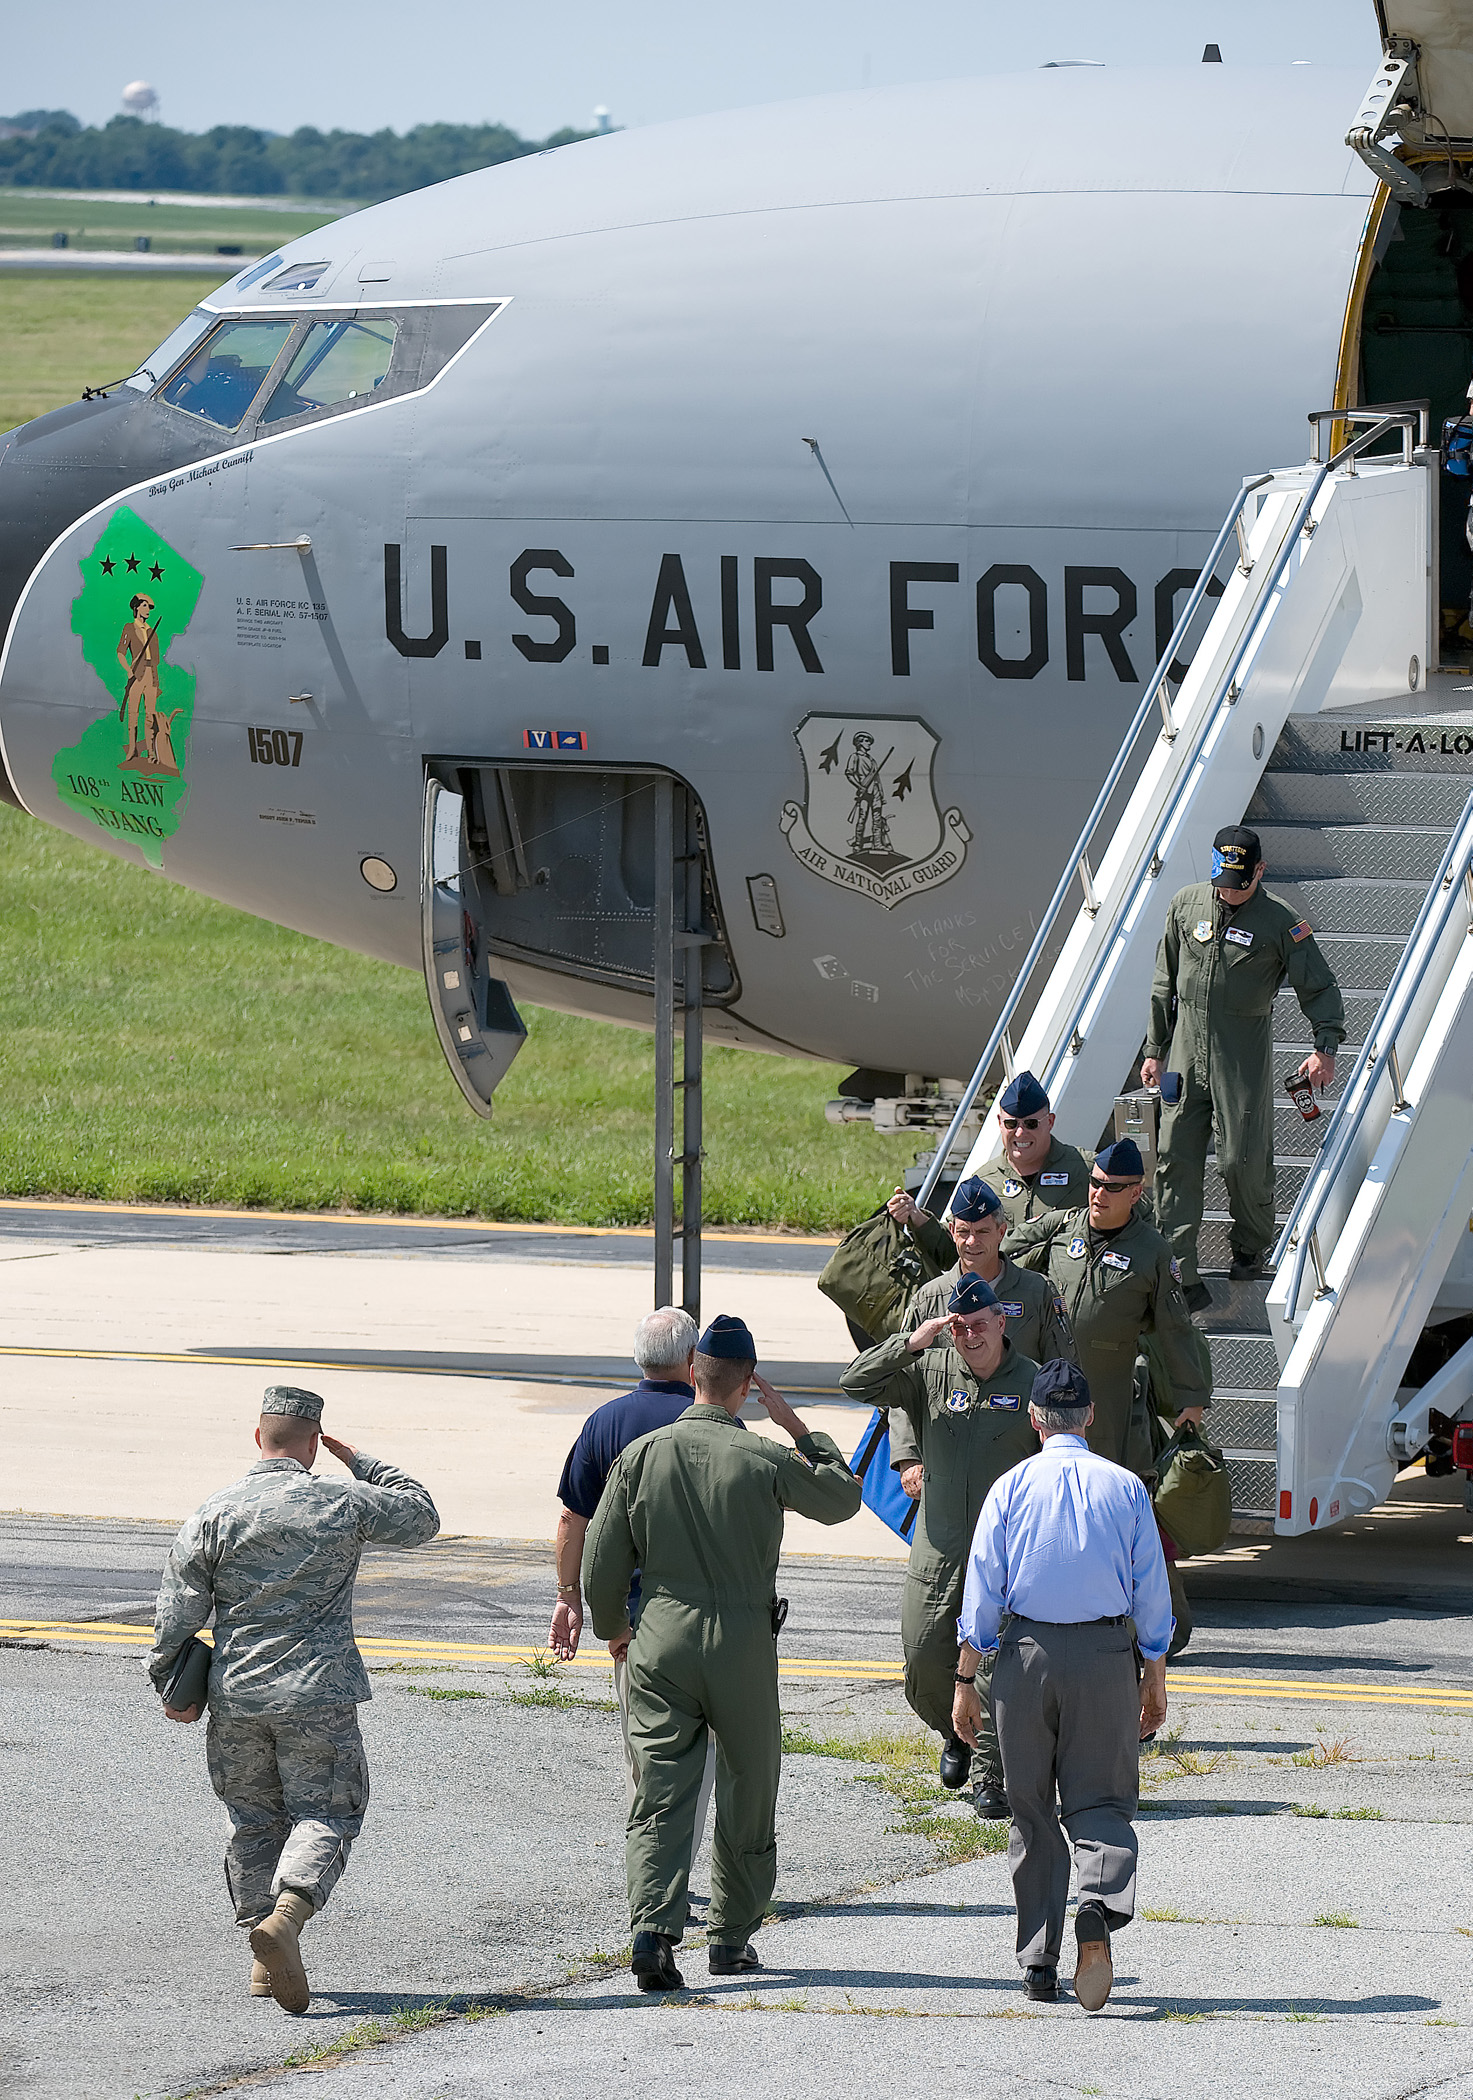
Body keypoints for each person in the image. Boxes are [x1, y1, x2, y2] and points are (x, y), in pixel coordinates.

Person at [584, 1315, 861, 1993]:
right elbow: (842, 1499)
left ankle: (651, 1933)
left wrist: (614, 1627)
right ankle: (731, 1939)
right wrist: (799, 1430)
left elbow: (599, 1562)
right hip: (740, 1642)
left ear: (691, 1375)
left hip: (660, 1637)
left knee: (660, 1793)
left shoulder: (641, 1455)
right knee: (747, 1787)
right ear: (745, 1386)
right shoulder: (766, 1459)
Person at [148, 1386, 439, 2014]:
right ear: (313, 1444)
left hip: (237, 1692)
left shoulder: (217, 1510)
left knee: (253, 1820)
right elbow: (421, 1515)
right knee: (328, 1812)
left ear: (258, 1437)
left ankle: (260, 1959)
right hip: (318, 1691)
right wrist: (360, 1460)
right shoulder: (341, 1499)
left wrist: (170, 1679)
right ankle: (286, 1916)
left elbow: (178, 1607)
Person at [953, 1359, 1172, 2009]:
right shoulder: (1126, 1488)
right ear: (1090, 1417)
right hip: (1105, 1654)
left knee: (1030, 1809)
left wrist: (965, 1679)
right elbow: (1150, 1594)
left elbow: (981, 1595)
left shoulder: (1010, 1486)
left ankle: (1038, 1961)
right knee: (1101, 1798)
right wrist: (1152, 1675)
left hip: (1023, 1655)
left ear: (1033, 1419)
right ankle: (1099, 1903)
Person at [840, 1274, 1040, 1819]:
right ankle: (957, 1728)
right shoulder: (928, 1372)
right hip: (941, 1545)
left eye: (981, 1324)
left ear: (1002, 1322)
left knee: (1002, 1661)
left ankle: (991, 1772)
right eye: (960, 1327)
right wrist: (914, 1340)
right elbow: (855, 1382)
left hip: (1005, 1550)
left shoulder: (1033, 1383)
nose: (971, 1335)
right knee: (924, 1655)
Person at [1003, 1137, 1208, 1647]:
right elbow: (996, 1250)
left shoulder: (1152, 1252)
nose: (1098, 1194)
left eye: (1112, 1188)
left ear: (1136, 1192)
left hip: (1109, 1400)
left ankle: (1165, 1626)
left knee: (1114, 1512)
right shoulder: (1060, 1228)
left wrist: (1191, 1397)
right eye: (1094, 1183)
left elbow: (1176, 1329)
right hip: (1046, 1392)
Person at [1141, 823, 1345, 1310]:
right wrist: (1155, 1048)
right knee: (1175, 1159)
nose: (1229, 892)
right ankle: (1181, 1273)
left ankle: (1251, 1245)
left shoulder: (1281, 922)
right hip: (1186, 1055)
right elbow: (1163, 981)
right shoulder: (1186, 905)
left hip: (1242, 1058)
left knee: (1242, 1160)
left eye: (1240, 881)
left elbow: (1318, 986)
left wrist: (1325, 1047)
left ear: (1260, 871)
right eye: (1222, 881)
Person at [549, 1306, 716, 1874]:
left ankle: (651, 1872)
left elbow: (575, 1520)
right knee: (701, 1754)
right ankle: (680, 1869)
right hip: (707, 1618)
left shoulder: (604, 1422)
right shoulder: (712, 1420)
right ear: (693, 1360)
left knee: (643, 1752)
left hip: (632, 1622)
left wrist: (569, 1596)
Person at [888, 1174, 1076, 1365]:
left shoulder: (1039, 1292)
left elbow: (1064, 1369)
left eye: (982, 1232)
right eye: (963, 1231)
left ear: (1001, 1232)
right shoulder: (929, 1299)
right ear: (952, 1231)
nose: (971, 1241)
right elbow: (904, 1372)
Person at [973, 1071, 1094, 1231]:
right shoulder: (984, 1182)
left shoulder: (1087, 1170)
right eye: (1011, 1124)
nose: (1020, 1132)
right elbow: (955, 1238)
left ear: (1050, 1122)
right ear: (1000, 1123)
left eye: (1031, 1123)